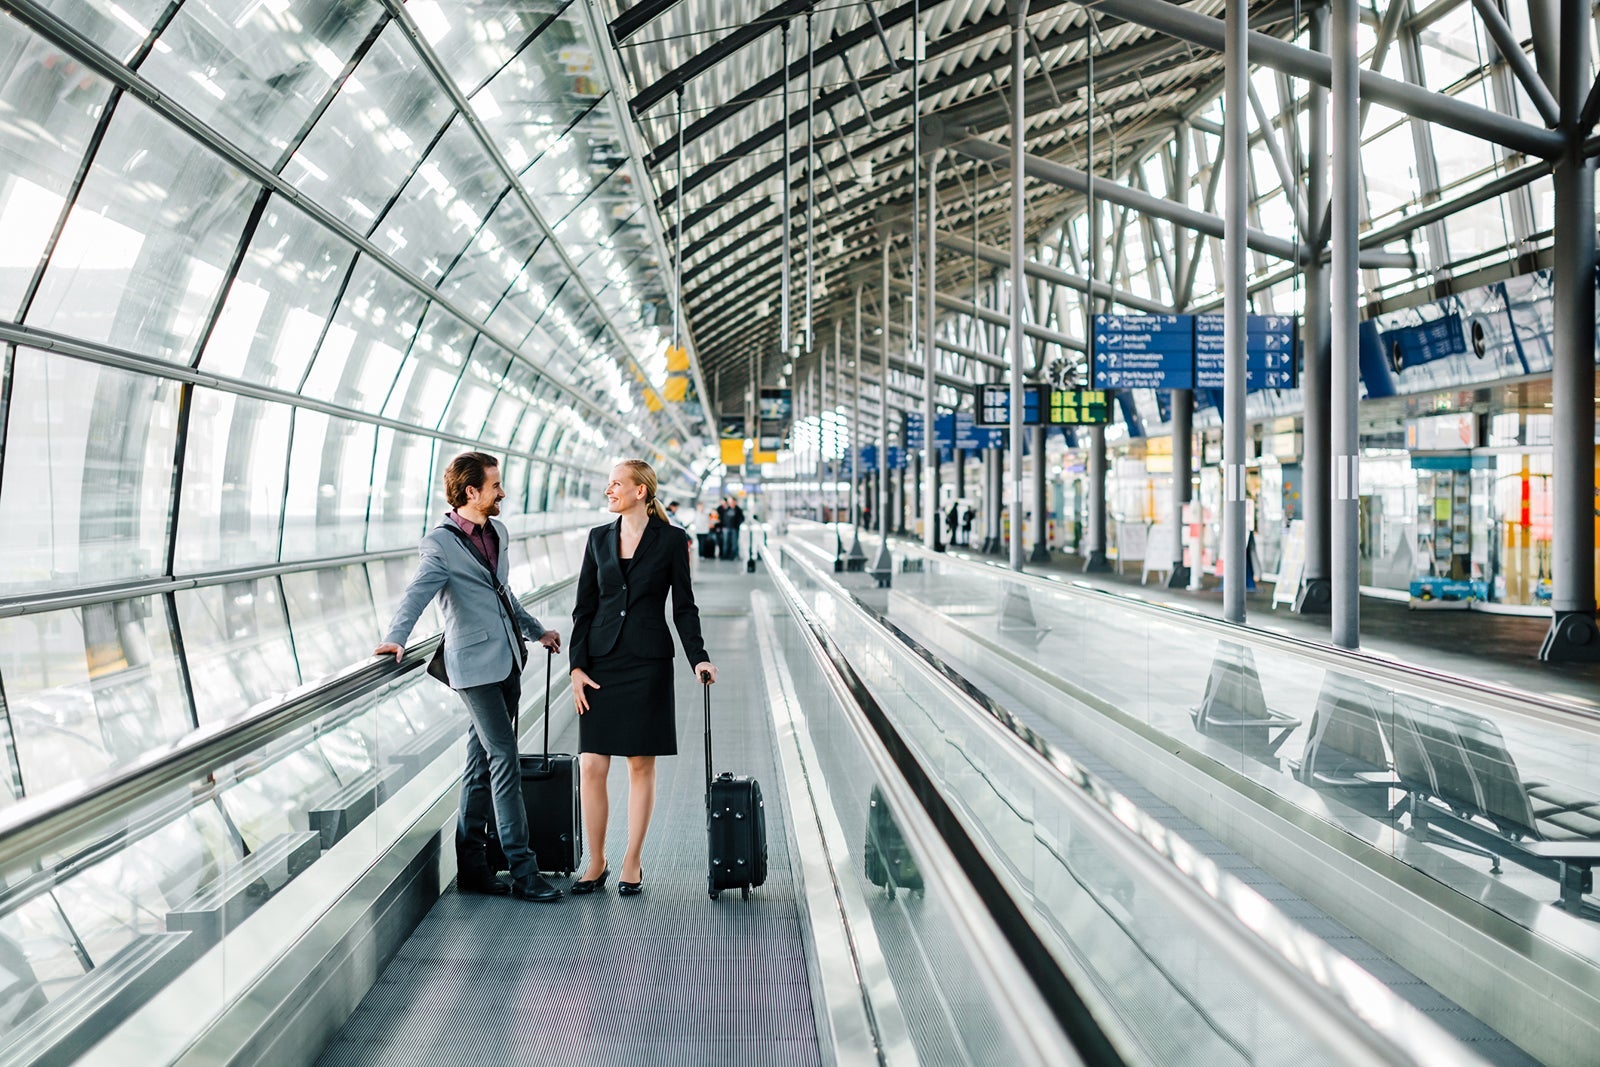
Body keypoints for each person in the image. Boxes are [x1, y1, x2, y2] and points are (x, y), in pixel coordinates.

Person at [374, 452, 564, 902]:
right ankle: (523, 871)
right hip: (473, 668)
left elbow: (503, 593)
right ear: (470, 492)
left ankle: (473, 868)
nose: (503, 493)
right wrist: (395, 637)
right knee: (503, 760)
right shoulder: (439, 544)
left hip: (508, 660)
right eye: (495, 486)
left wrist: (536, 631)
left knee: (480, 764)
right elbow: (418, 592)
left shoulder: (498, 532)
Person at [569, 459, 718, 896]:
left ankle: (632, 859)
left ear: (640, 491)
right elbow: (585, 608)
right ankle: (596, 861)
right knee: (592, 764)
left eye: (616, 484)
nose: (608, 490)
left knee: (639, 763)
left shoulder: (672, 541)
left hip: (647, 662)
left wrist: (699, 658)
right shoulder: (598, 539)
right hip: (600, 661)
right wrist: (577, 667)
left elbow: (684, 606)